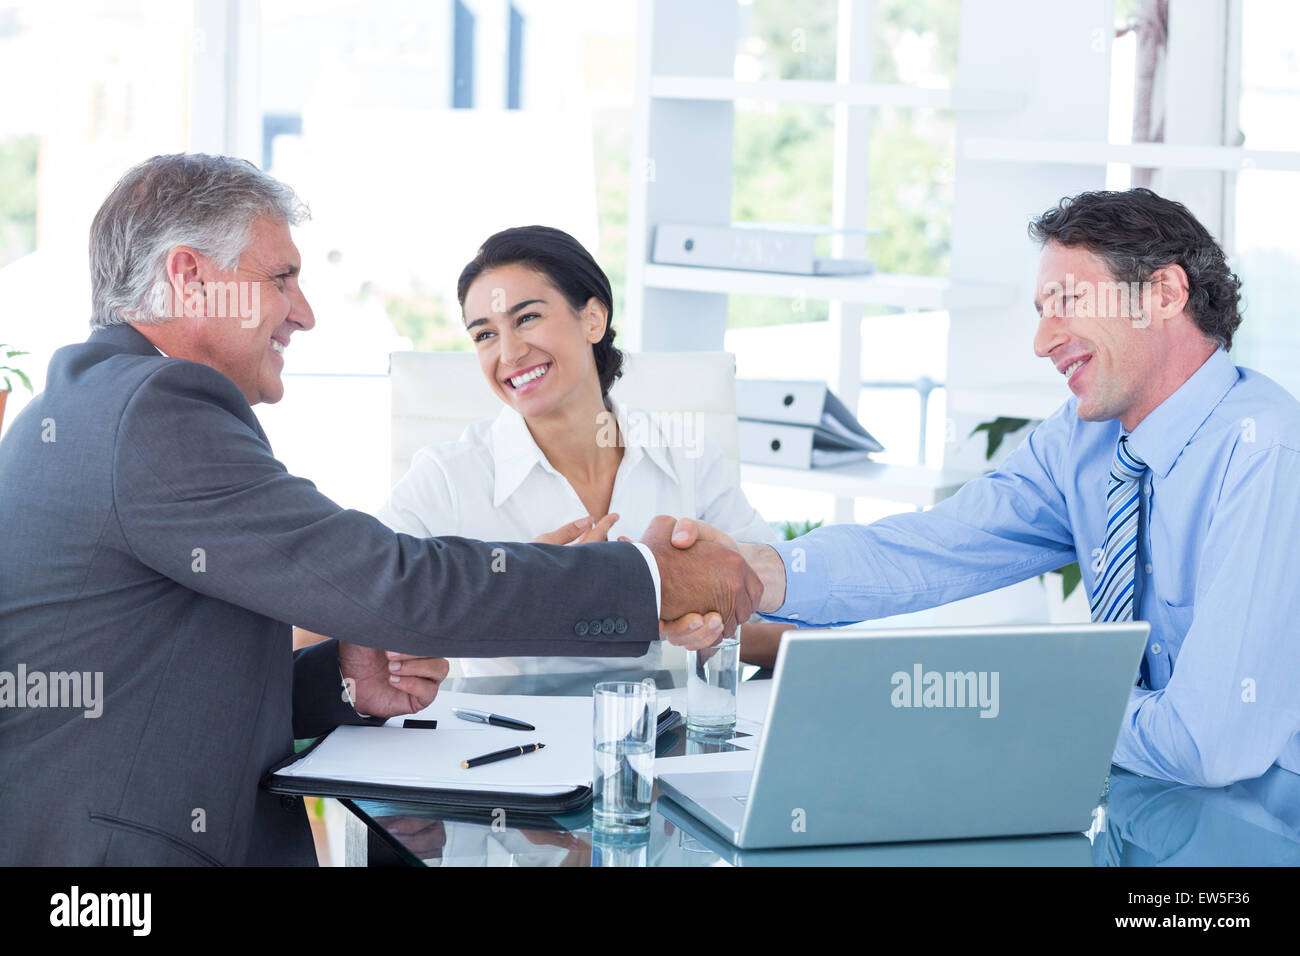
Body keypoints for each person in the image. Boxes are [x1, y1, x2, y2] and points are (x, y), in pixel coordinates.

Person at [0, 154, 760, 866]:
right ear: (191, 277)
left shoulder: (103, 400)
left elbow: (172, 672)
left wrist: (342, 681)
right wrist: (646, 581)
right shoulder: (156, 409)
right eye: (283, 277)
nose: (305, 312)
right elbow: (395, 582)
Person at [671, 187, 1300, 790]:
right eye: (1040, 312)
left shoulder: (1265, 456)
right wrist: (753, 572)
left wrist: (1025, 693)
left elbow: (1206, 744)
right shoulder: (1083, 445)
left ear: (1162, 293)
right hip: (1137, 798)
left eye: (1068, 301)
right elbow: (931, 547)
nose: (1043, 341)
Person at [298, 225, 787, 675]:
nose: (508, 353)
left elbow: (783, 618)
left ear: (593, 318)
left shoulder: (687, 458)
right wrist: (513, 585)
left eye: (527, 318)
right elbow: (313, 628)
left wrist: (713, 625)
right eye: (485, 334)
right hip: (499, 748)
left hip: (656, 739)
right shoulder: (448, 478)